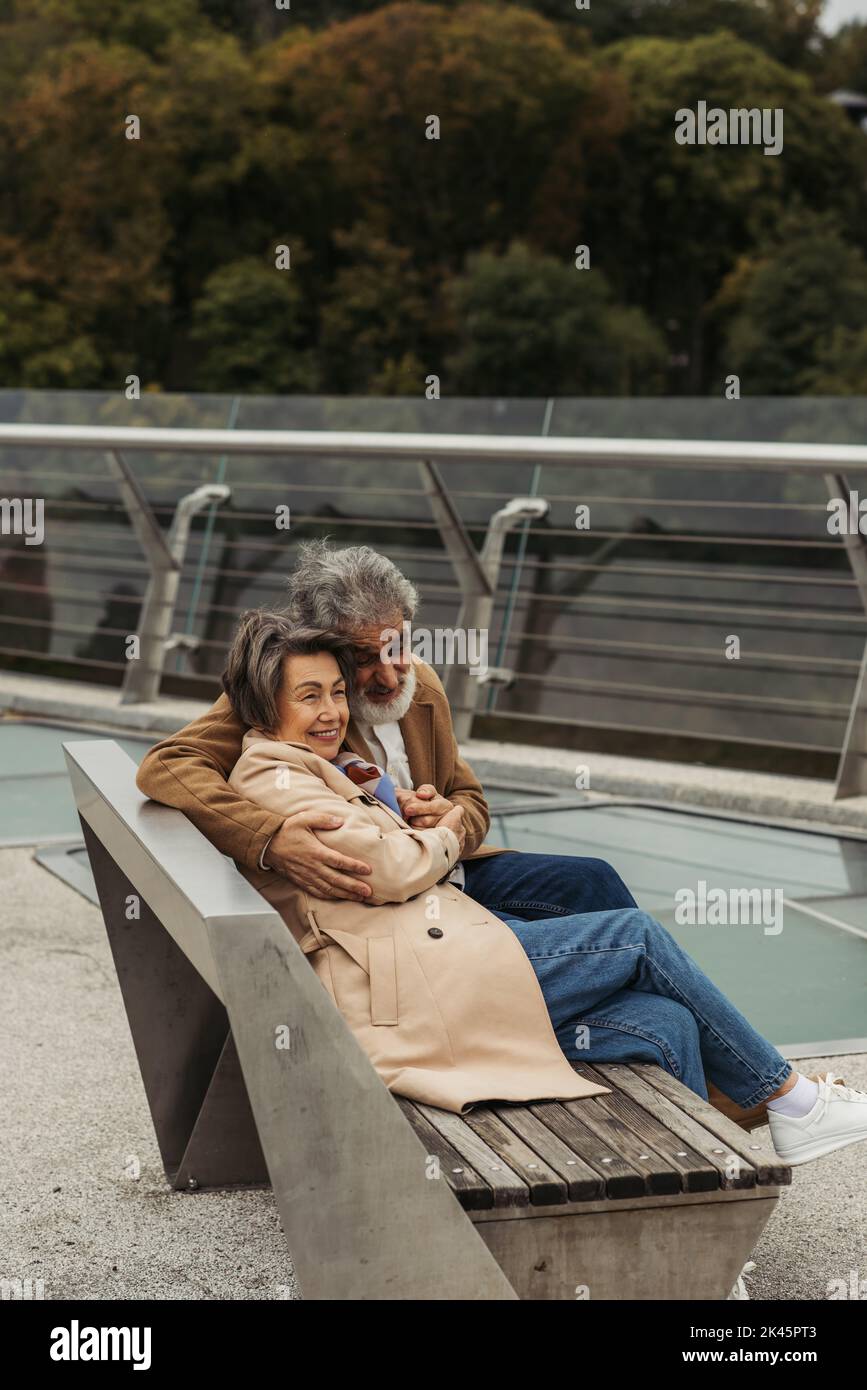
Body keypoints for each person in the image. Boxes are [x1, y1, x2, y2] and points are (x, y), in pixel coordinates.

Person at [216, 611, 867, 1165]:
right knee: (634, 937)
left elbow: (414, 839)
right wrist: (436, 838)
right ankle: (789, 1100)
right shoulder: (277, 779)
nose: (332, 710)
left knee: (664, 1021)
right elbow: (386, 870)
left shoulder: (317, 765)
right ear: (263, 704)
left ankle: (708, 1198)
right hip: (409, 993)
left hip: (432, 962)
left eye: (335, 692)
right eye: (310, 696)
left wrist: (423, 824)